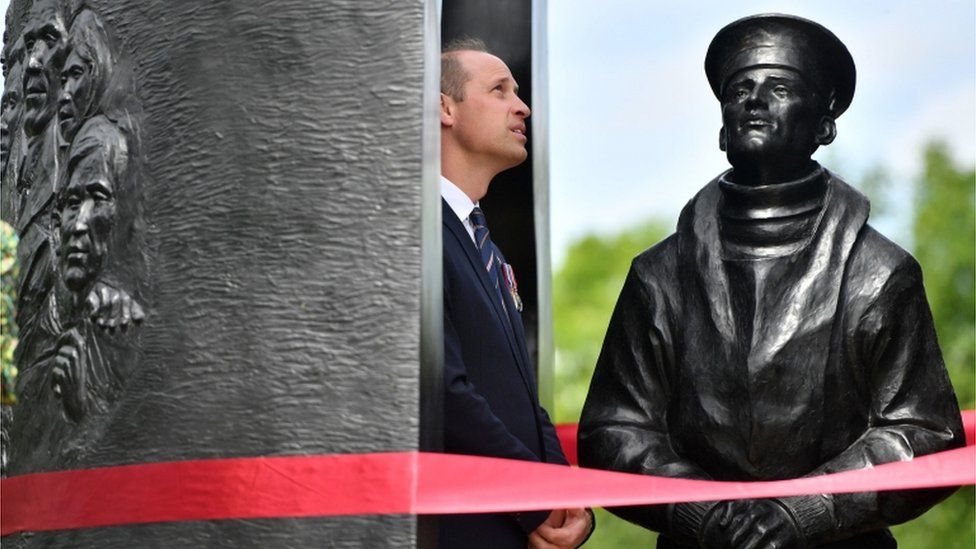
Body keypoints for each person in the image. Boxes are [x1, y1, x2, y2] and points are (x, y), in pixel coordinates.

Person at [578, 14, 964, 549]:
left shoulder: (880, 273)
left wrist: (804, 511)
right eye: (741, 89)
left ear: (824, 125)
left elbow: (925, 433)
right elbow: (611, 430)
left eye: (780, 88)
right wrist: (704, 512)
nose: (754, 100)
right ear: (721, 124)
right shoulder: (659, 276)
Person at [439, 38, 593, 549]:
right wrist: (535, 499)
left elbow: (525, 403)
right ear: (444, 108)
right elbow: (443, 391)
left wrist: (567, 497)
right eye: (499, 90)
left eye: (519, 91)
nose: (521, 106)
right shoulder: (414, 235)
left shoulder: (490, 251)